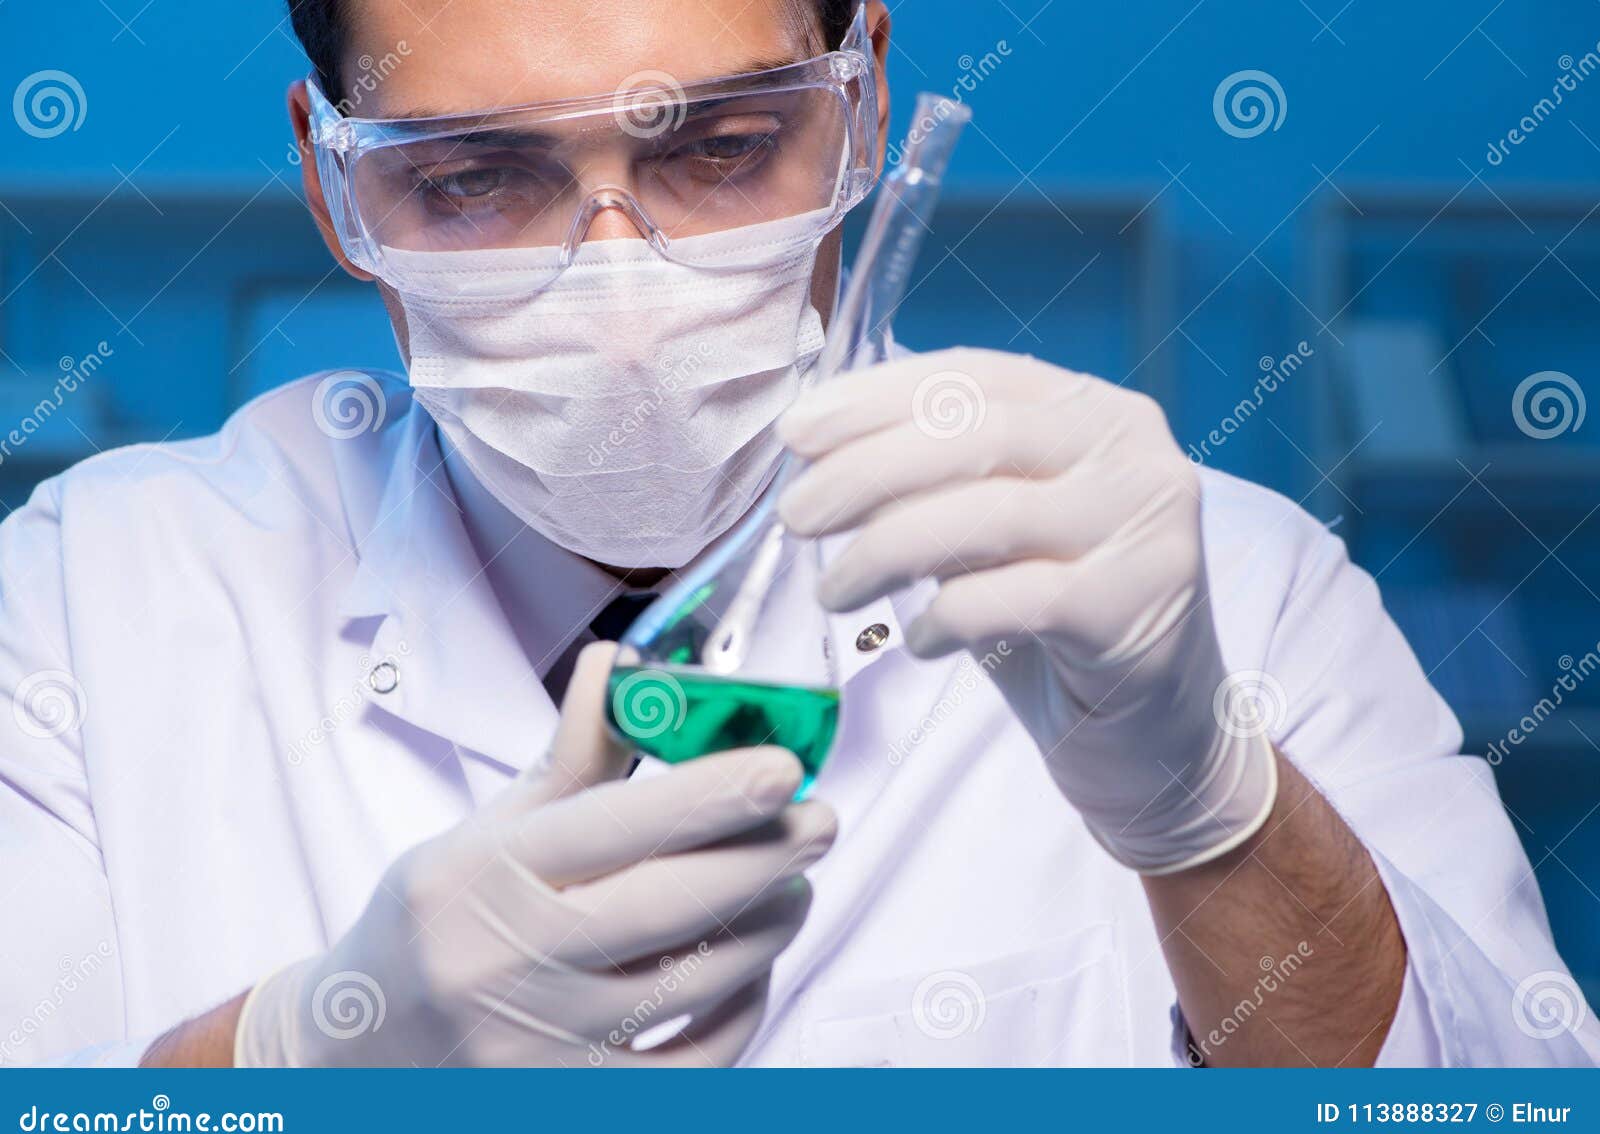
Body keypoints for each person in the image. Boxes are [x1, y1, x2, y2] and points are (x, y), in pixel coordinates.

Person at [1, 0, 1594, 1068]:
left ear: (863, 103)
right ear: (328, 171)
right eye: (477, 177)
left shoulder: (1226, 591)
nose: (616, 290)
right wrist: (308, 1058)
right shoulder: (91, 597)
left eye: (716, 151)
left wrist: (1210, 806)